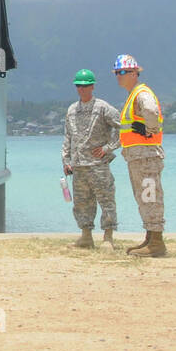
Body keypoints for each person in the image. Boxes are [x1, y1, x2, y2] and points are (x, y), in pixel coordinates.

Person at [113, 55, 166, 257]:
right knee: (144, 197)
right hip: (138, 156)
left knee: (150, 196)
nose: (119, 76)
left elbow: (151, 111)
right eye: (117, 73)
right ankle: (150, 236)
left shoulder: (141, 93)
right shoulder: (133, 94)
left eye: (123, 72)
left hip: (146, 156)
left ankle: (157, 242)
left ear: (135, 73)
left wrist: (149, 129)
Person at [61, 69, 119, 248]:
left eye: (86, 86)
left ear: (92, 86)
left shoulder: (102, 108)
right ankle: (86, 236)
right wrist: (66, 161)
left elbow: (122, 127)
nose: (82, 89)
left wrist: (108, 148)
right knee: (81, 203)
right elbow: (68, 137)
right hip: (78, 167)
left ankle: (108, 238)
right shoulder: (72, 110)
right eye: (79, 86)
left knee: (106, 200)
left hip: (98, 165)